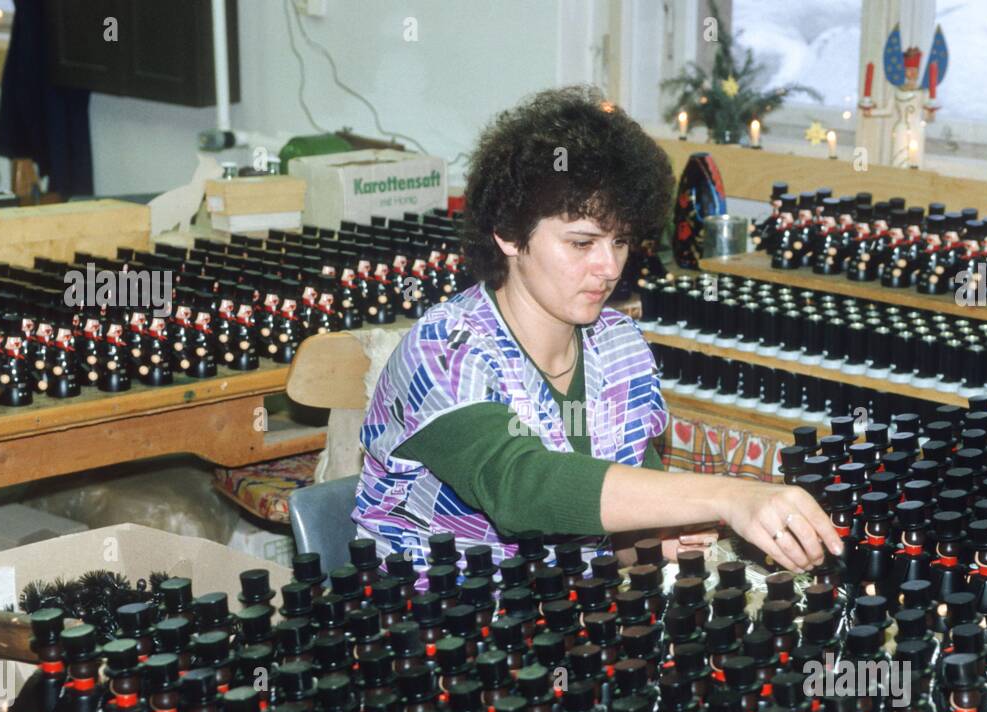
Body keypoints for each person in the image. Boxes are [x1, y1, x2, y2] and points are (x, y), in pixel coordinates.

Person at [352, 86, 841, 577]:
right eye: (581, 243)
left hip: (568, 614)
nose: (608, 267)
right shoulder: (444, 350)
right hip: (429, 617)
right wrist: (732, 493)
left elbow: (622, 524)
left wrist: (656, 543)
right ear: (507, 233)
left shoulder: (619, 346)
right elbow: (519, 488)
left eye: (622, 241)